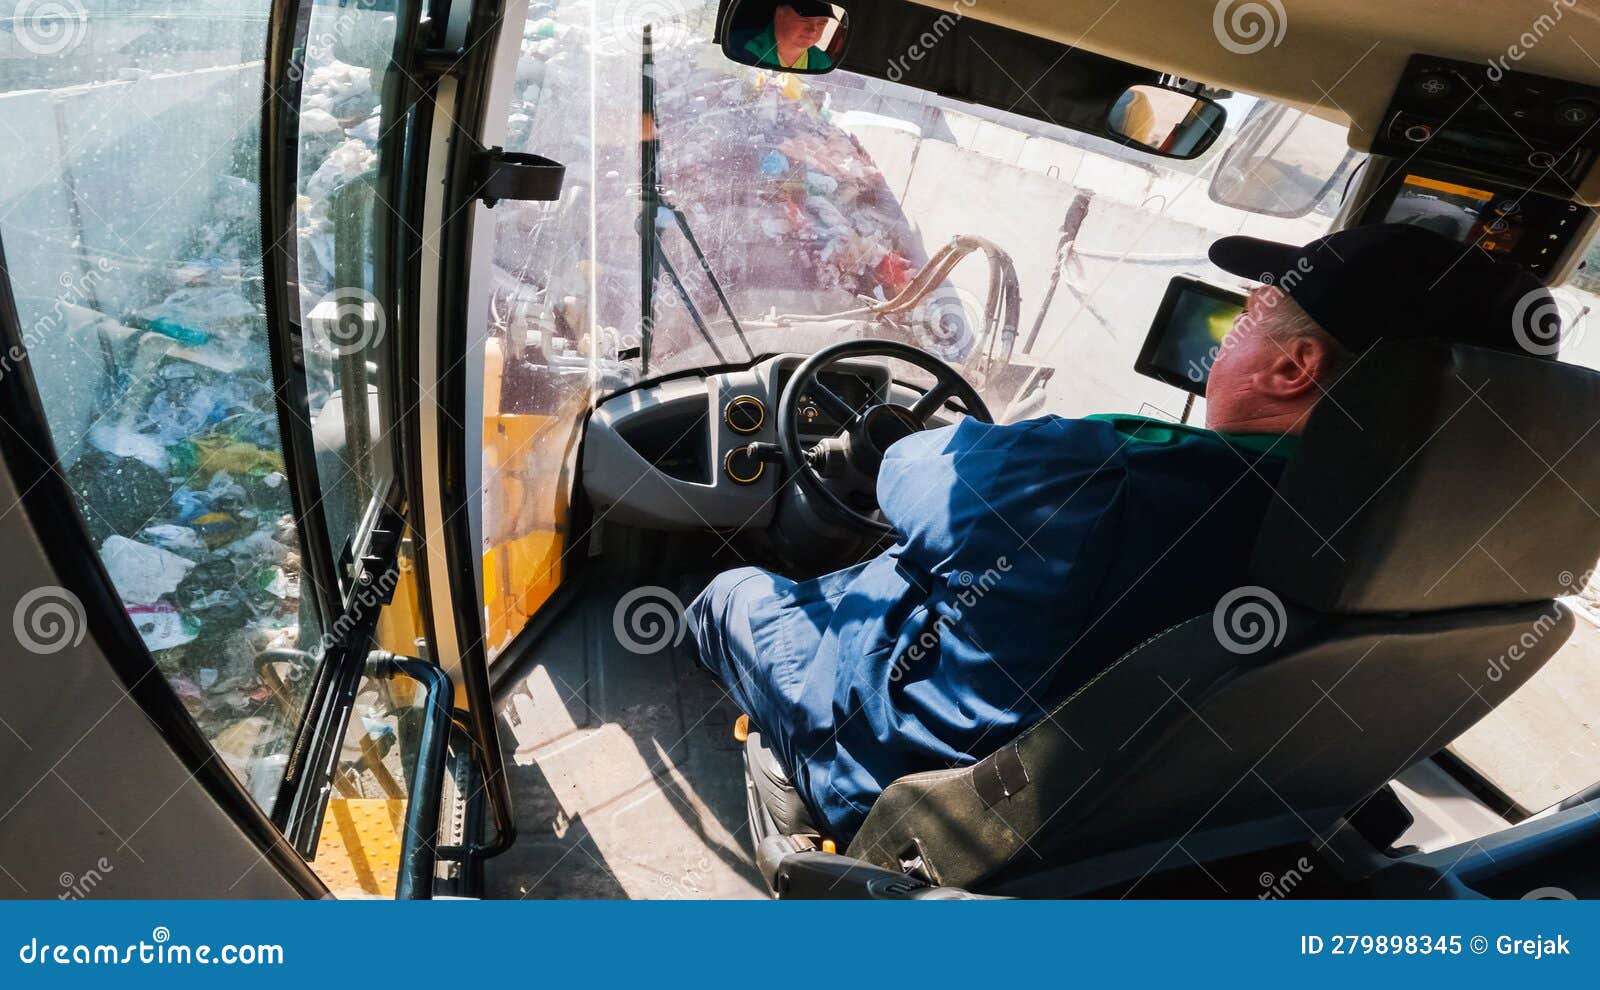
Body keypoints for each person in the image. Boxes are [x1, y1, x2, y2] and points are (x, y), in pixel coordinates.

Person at [687, 224, 1556, 843]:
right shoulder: (1448, 557)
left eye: (1251, 311)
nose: (1232, 326)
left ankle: (792, 777)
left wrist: (894, 437)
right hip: (1161, 827)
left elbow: (908, 474)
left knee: (729, 592)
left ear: (1294, 367)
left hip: (904, 778)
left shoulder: (1108, 476)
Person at [741, 1, 837, 71]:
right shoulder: (744, 47)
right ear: (780, 15)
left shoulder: (823, 64)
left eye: (822, 23)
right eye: (805, 20)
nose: (813, 30)